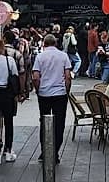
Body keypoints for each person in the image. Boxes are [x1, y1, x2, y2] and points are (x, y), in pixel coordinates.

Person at [32, 34, 72, 165]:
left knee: (44, 122)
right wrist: (66, 90)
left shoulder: (40, 57)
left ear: (44, 43)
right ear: (55, 43)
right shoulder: (63, 56)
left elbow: (36, 77)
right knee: (59, 123)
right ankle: (55, 152)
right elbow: (67, 76)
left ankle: (45, 152)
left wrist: (38, 90)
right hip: (60, 94)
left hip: (44, 94)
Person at [3, 29, 27, 102]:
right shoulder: (18, 54)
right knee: (11, 110)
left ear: (4, 39)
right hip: (13, 85)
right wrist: (22, 91)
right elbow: (21, 74)